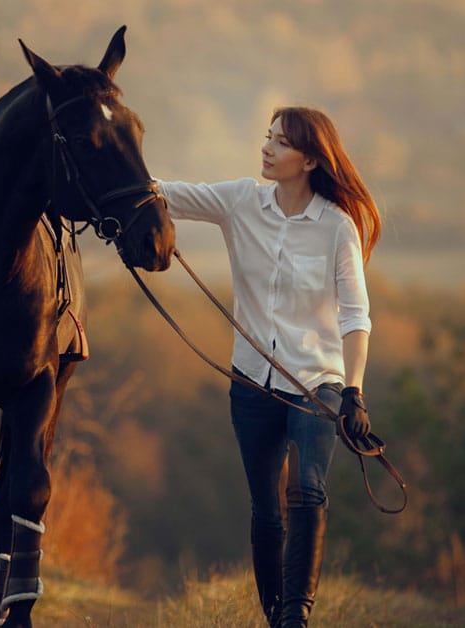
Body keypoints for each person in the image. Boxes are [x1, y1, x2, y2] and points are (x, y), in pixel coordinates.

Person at [157, 106, 381, 627]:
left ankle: (295, 615)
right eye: (267, 138)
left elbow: (355, 316)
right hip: (251, 385)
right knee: (265, 507)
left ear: (308, 159)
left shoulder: (337, 227)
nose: (266, 148)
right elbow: (167, 192)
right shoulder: (240, 201)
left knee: (307, 486)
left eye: (279, 143)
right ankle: (274, 611)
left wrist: (354, 391)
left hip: (317, 384)